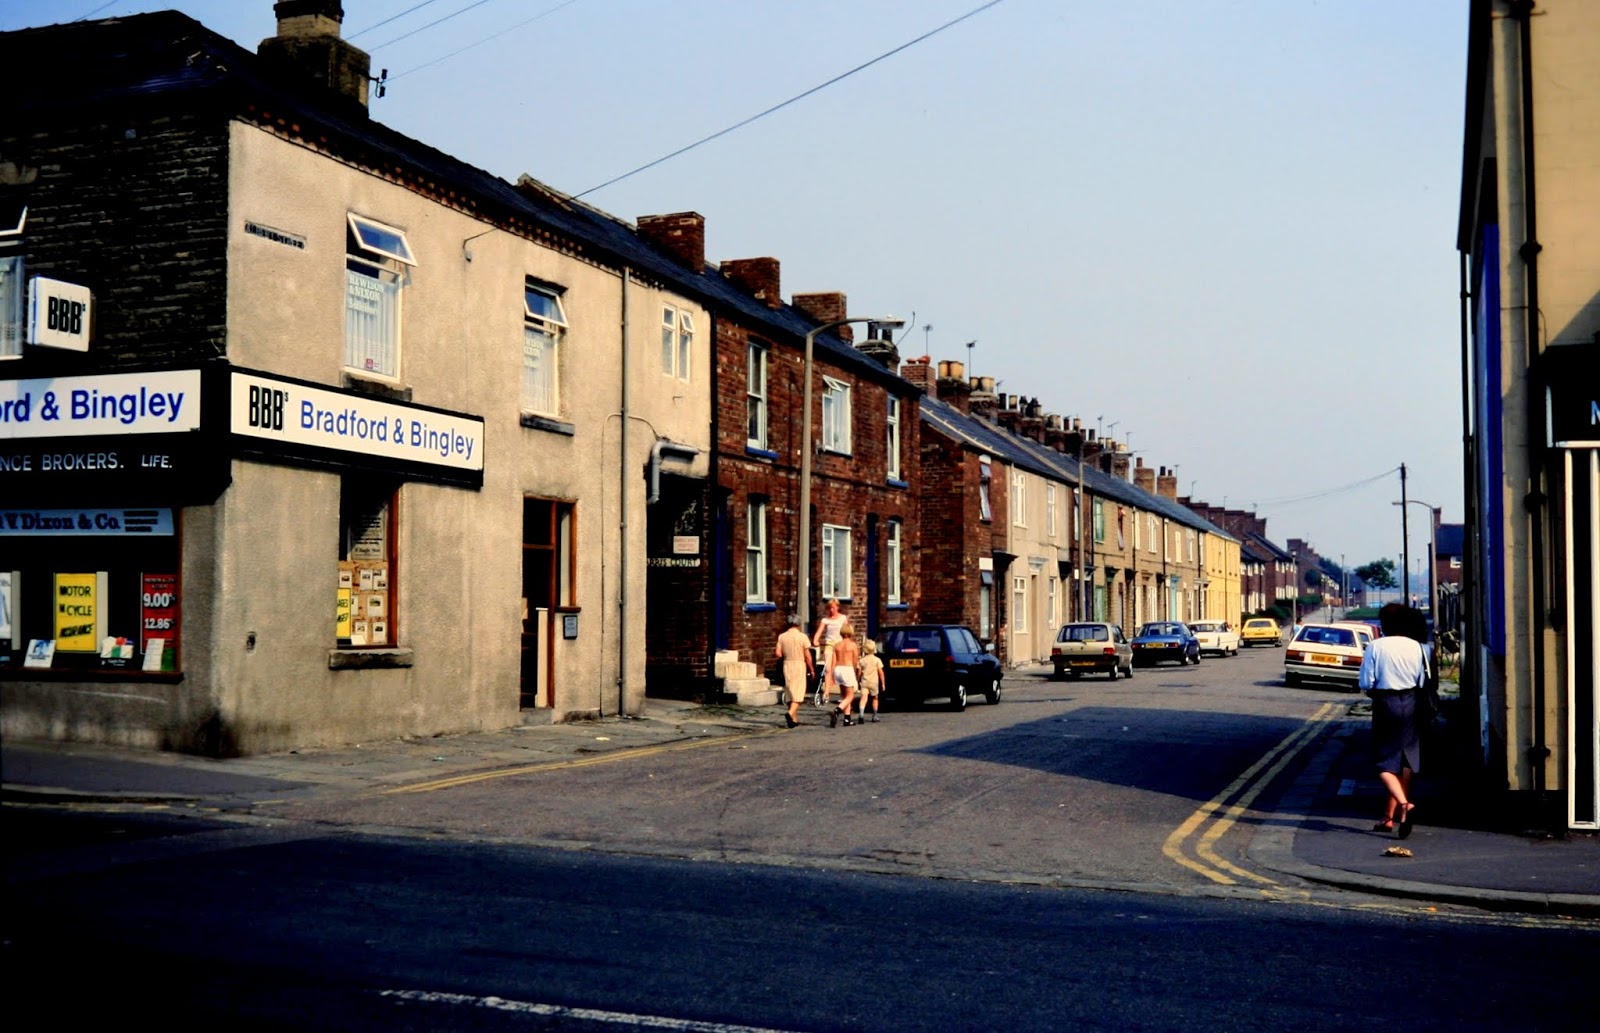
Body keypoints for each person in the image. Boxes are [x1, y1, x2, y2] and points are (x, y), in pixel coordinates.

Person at [1358, 603, 1430, 837]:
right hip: (1413, 702)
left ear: (1384, 624)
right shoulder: (1420, 648)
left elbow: (1365, 683)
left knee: (1383, 762)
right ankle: (1389, 818)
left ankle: (1403, 804)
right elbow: (1424, 681)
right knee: (1405, 761)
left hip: (1386, 703)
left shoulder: (1376, 647)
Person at [774, 613, 814, 729]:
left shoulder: (782, 636)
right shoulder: (803, 637)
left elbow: (778, 653)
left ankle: (794, 719)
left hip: (787, 664)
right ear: (798, 624)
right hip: (799, 664)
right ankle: (790, 713)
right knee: (799, 693)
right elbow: (807, 655)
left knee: (790, 691)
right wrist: (811, 669)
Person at [812, 597, 848, 704]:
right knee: (828, 669)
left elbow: (847, 631)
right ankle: (826, 693)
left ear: (837, 607)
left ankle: (843, 693)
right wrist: (815, 640)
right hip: (829, 645)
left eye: (833, 607)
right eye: (829, 608)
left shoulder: (843, 618)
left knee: (839, 669)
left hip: (840, 646)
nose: (831, 610)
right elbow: (819, 632)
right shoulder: (825, 620)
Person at [828, 623, 861, 727]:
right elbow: (855, 661)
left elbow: (833, 661)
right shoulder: (853, 645)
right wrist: (856, 673)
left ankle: (847, 719)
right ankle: (837, 710)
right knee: (850, 696)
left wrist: (832, 674)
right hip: (847, 668)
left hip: (838, 669)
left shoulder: (837, 645)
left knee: (844, 696)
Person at [858, 637, 884, 723]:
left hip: (864, 682)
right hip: (874, 683)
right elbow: (881, 673)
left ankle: (861, 714)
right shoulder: (877, 660)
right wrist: (883, 683)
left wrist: (858, 680)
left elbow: (859, 672)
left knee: (863, 698)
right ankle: (875, 715)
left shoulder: (861, 660)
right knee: (875, 698)